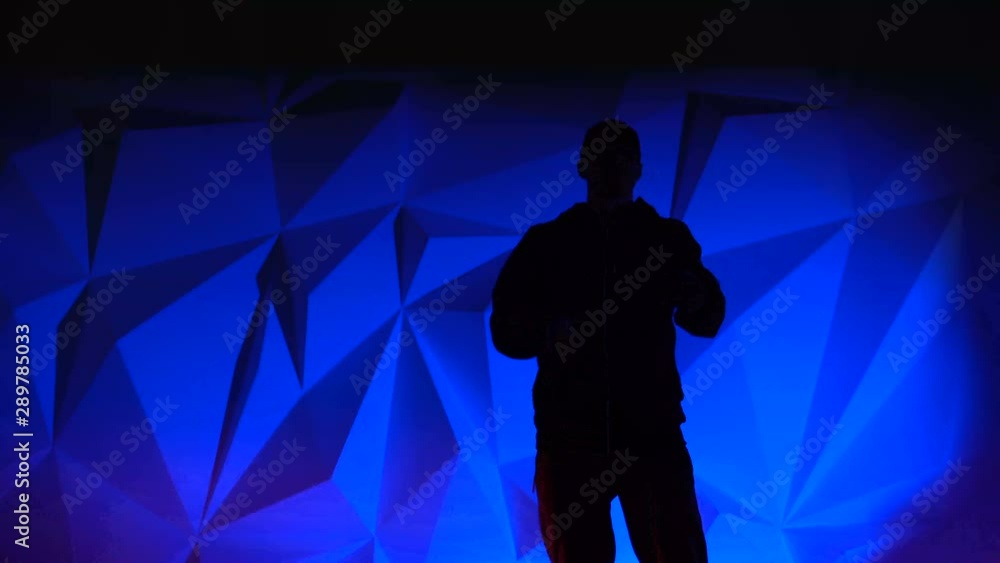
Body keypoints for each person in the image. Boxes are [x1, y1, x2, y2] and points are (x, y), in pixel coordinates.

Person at [489, 119, 725, 562]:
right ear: (583, 166)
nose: (611, 166)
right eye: (602, 156)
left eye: (621, 157)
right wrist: (548, 330)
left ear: (637, 168)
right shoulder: (547, 243)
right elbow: (506, 328)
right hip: (573, 437)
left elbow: (708, 315)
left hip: (646, 431)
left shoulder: (667, 239)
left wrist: (696, 295)